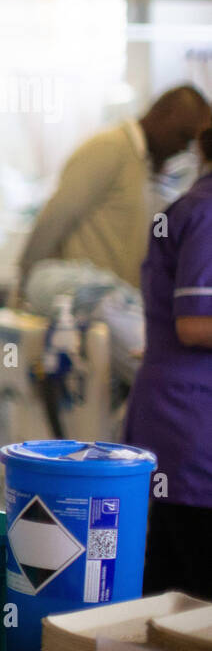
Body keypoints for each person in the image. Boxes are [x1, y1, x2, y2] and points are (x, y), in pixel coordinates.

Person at [16, 86, 212, 385]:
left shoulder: (147, 166)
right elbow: (56, 217)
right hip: (94, 308)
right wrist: (27, 281)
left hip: (123, 314)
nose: (183, 148)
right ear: (164, 115)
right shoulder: (109, 148)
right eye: (183, 136)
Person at [125, 126, 212, 600]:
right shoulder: (206, 213)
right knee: (189, 596)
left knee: (170, 592)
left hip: (183, 422)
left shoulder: (193, 207)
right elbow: (196, 324)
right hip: (191, 430)